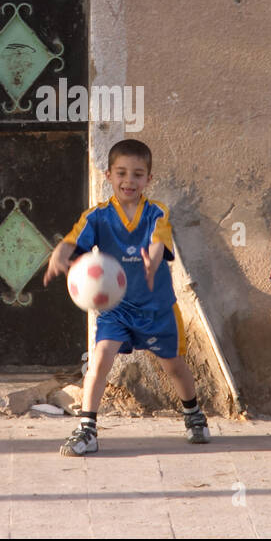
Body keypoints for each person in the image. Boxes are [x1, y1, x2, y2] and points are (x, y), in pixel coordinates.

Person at [43, 138, 211, 455]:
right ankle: (87, 429)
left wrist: (155, 253)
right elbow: (71, 241)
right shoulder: (97, 217)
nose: (128, 181)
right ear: (108, 175)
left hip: (156, 309)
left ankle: (193, 414)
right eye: (121, 173)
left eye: (137, 174)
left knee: (174, 366)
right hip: (115, 309)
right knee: (100, 361)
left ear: (149, 178)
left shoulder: (155, 212)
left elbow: (160, 237)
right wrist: (59, 253)